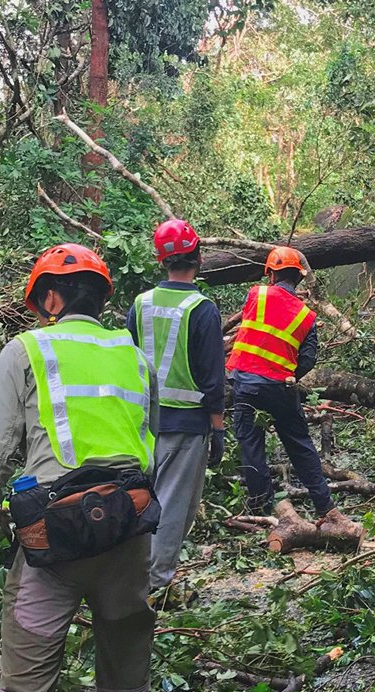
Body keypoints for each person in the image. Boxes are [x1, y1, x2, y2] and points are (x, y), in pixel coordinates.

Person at [0, 243, 161, 692]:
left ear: (49, 297)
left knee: (24, 686)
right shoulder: (134, 355)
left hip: (53, 546)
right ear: (101, 295)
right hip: (126, 529)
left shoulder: (27, 350)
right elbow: (149, 445)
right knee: (126, 659)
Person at [225, 245, 360, 537]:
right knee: (301, 446)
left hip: (246, 384)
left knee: (251, 445)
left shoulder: (256, 295)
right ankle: (325, 508)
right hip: (281, 387)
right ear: (299, 278)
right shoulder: (307, 317)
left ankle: (260, 511)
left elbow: (249, 330)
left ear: (270, 273)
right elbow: (308, 359)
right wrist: (286, 372)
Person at [128, 219, 226, 594]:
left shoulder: (141, 304)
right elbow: (212, 377)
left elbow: (130, 360)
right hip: (186, 425)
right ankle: (154, 586)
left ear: (161, 261)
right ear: (199, 256)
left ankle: (131, 575)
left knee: (141, 499)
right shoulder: (201, 308)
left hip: (142, 422)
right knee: (172, 506)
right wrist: (217, 429)